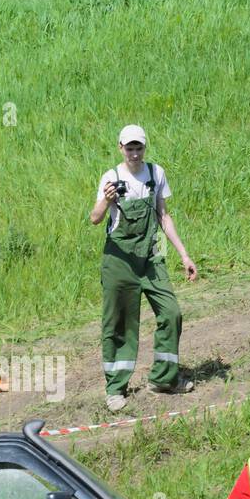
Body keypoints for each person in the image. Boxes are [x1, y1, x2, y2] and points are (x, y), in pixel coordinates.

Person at [89, 124, 199, 413]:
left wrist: (184, 255)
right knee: (120, 324)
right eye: (129, 148)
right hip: (119, 263)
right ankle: (115, 389)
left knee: (171, 312)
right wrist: (106, 199)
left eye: (139, 147)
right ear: (120, 148)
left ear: (144, 148)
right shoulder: (111, 177)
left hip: (151, 257)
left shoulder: (155, 173)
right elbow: (95, 219)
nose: (134, 153)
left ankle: (163, 379)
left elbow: (164, 216)